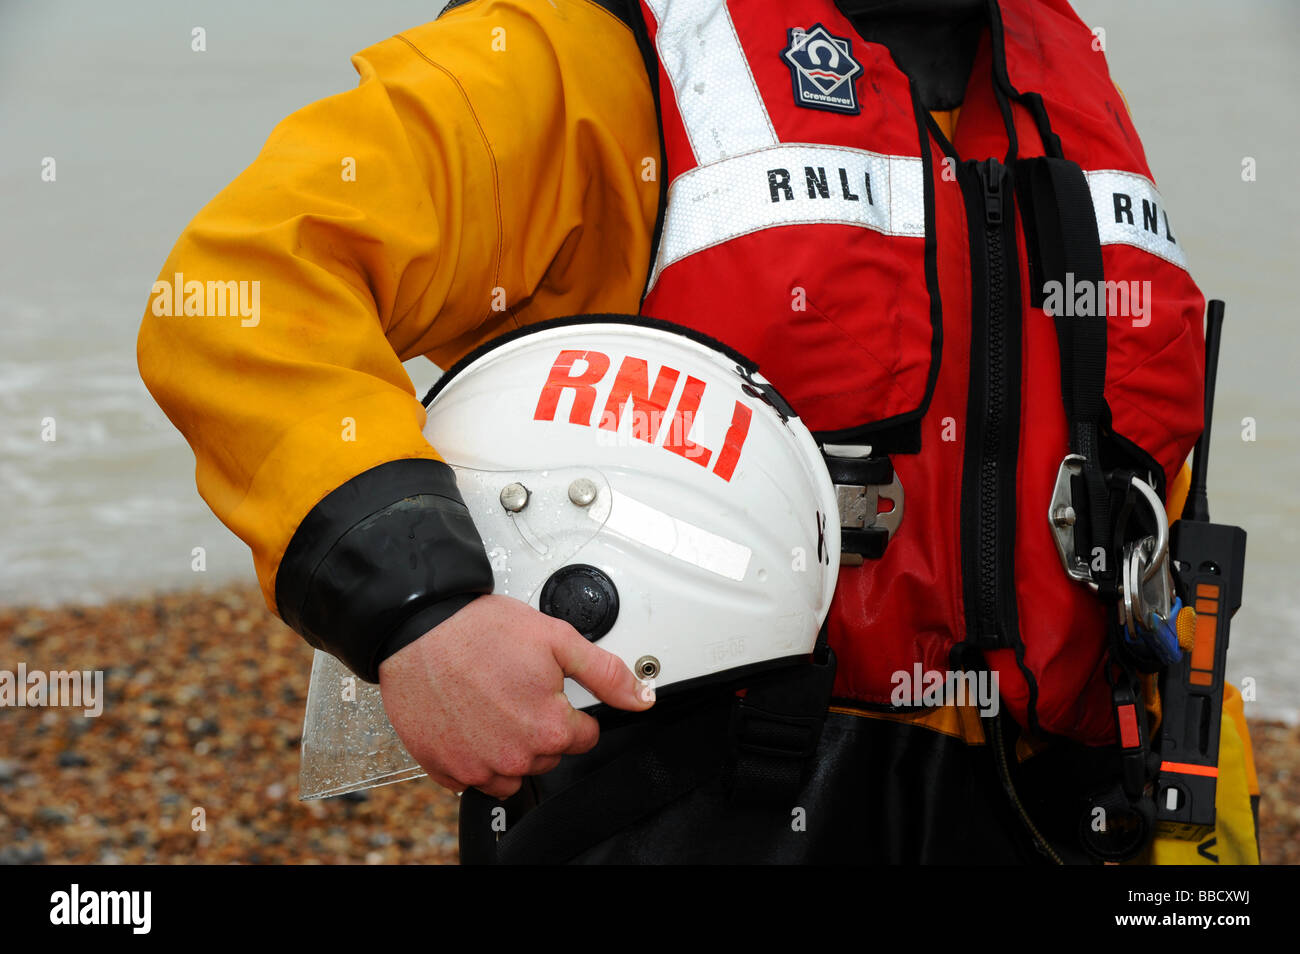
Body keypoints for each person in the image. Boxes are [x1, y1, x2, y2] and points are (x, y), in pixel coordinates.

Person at [138, 0, 1260, 863]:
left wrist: (1209, 843)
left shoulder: (1065, 80)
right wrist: (421, 616)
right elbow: (249, 285)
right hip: (684, 810)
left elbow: (1150, 542)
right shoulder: (595, 50)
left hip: (1065, 821)